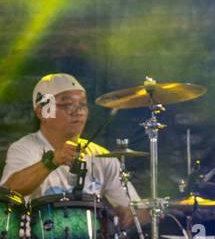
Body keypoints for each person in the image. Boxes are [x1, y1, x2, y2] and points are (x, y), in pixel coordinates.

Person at [1, 73, 140, 230]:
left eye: (82, 105)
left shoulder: (102, 156)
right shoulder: (25, 148)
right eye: (67, 104)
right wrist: (51, 161)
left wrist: (129, 214)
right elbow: (8, 192)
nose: (78, 111)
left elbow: (135, 209)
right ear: (42, 112)